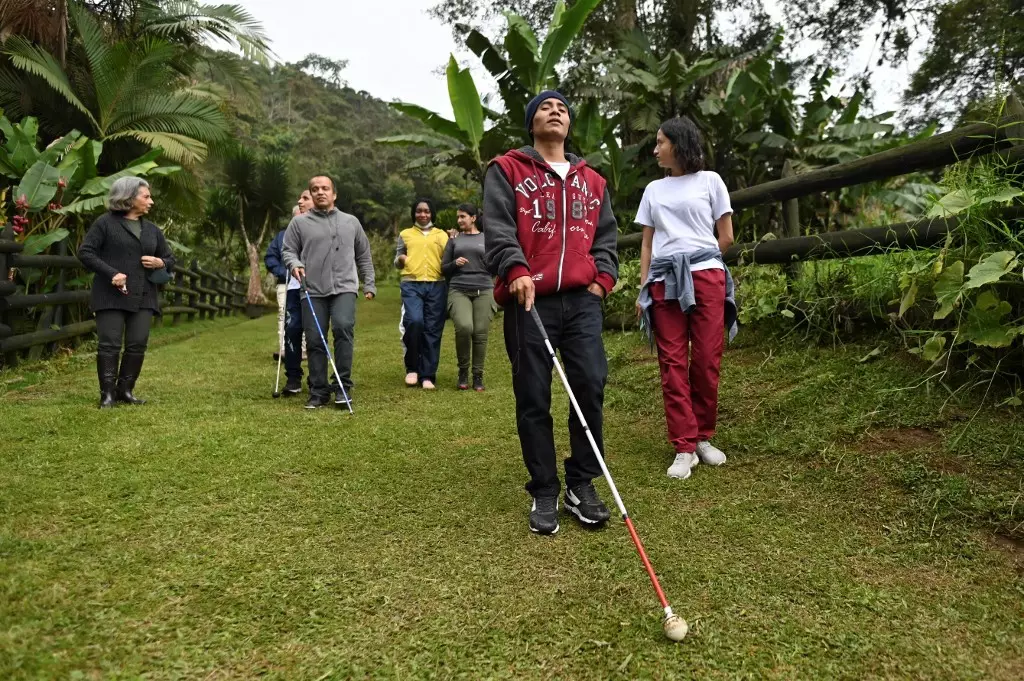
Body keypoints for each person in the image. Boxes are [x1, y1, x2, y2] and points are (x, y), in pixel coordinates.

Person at [484, 90, 619, 536]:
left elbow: (606, 239)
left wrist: (602, 281)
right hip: (528, 299)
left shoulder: (593, 181)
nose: (555, 111)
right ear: (531, 122)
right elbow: (499, 228)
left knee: (590, 384)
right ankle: (544, 487)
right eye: (545, 106)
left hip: (582, 302)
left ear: (569, 123)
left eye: (562, 107)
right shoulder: (506, 170)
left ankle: (582, 483)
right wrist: (516, 268)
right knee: (533, 395)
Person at [635, 116, 738, 481]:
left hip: (706, 276)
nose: (655, 148)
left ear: (679, 143)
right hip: (664, 281)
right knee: (672, 363)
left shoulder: (711, 181)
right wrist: (643, 287)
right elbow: (647, 244)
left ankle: (703, 437)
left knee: (707, 360)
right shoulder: (653, 190)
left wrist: (699, 262)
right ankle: (684, 445)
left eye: (660, 142)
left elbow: (724, 236)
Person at [78, 177, 175, 408]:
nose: (151, 201)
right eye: (146, 196)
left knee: (137, 343)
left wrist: (160, 261)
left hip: (144, 296)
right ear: (129, 198)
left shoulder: (152, 230)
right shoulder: (104, 223)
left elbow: (171, 259)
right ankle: (107, 395)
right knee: (109, 344)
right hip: (110, 295)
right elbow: (86, 252)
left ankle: (126, 391)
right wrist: (112, 273)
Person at [282, 175, 376, 409]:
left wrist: (370, 283)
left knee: (343, 328)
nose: (320, 192)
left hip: (344, 287)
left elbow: (363, 255)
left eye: (325, 188)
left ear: (334, 194)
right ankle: (318, 390)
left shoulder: (351, 222)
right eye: (315, 189)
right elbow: (288, 251)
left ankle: (342, 386)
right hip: (312, 290)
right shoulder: (299, 223)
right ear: (311, 195)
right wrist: (295, 264)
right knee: (315, 339)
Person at [395, 198, 449, 390]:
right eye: (419, 211)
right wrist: (402, 258)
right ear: (414, 213)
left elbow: (448, 260)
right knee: (414, 321)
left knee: (433, 329)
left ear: (432, 213)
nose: (423, 214)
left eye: (426, 211)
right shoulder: (405, 234)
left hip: (437, 284)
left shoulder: (442, 235)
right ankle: (412, 368)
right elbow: (397, 259)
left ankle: (428, 375)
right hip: (411, 284)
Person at [441, 203, 494, 391]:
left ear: (473, 218)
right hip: (459, 289)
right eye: (458, 217)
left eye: (463, 216)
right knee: (464, 327)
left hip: (484, 289)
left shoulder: (487, 239)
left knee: (480, 332)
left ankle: (478, 375)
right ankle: (463, 371)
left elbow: (495, 266)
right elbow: (443, 268)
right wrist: (455, 263)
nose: (459, 220)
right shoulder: (454, 240)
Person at [265, 191, 313, 395]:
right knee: (292, 329)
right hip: (293, 286)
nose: (299, 203)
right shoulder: (284, 235)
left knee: (315, 333)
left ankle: (317, 379)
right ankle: (293, 377)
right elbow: (273, 256)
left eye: (304, 200)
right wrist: (284, 271)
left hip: (318, 288)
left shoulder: (324, 227)